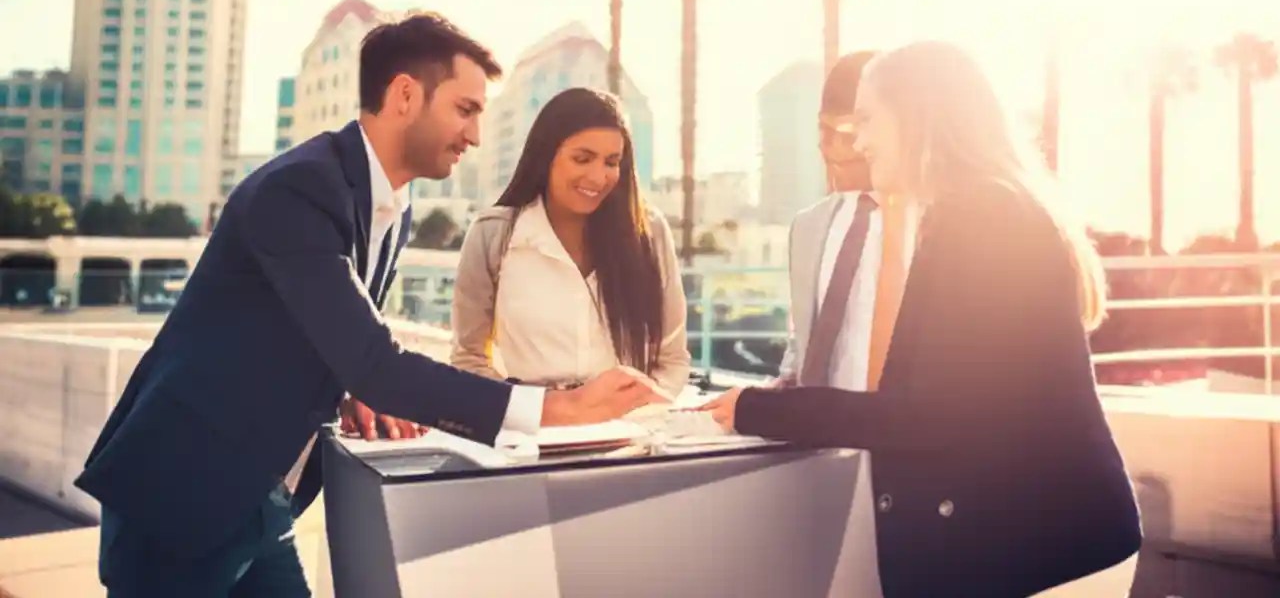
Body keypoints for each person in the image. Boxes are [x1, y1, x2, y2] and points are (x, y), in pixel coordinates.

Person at [76, 14, 660, 597]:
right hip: (183, 493)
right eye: (465, 109)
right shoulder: (299, 190)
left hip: (263, 501)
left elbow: (326, 333)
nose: (476, 135)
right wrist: (562, 408)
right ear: (406, 94)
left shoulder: (392, 208)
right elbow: (377, 361)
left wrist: (346, 388)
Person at [701, 41, 1142, 597]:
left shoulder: (979, 215)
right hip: (1053, 542)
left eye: (866, 119)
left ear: (916, 118)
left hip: (1045, 553)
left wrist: (758, 409)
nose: (857, 141)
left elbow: (927, 416)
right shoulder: (988, 205)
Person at [451, 87, 690, 398]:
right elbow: (468, 359)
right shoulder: (493, 234)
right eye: (582, 158)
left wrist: (638, 410)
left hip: (631, 429)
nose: (598, 176)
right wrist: (539, 409)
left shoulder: (650, 231)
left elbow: (672, 361)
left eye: (611, 161)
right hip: (534, 429)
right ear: (546, 155)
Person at [772, 50, 915, 392]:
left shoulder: (934, 225)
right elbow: (803, 344)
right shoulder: (808, 227)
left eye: (849, 133)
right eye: (824, 130)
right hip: (818, 440)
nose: (834, 148)